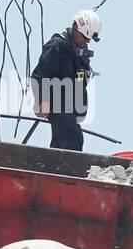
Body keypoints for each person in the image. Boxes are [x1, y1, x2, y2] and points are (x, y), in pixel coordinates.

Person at [30, 9, 100, 151]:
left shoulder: (80, 54)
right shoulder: (57, 46)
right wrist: (42, 101)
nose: (85, 42)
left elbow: (80, 81)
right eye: (84, 37)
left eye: (88, 39)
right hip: (57, 101)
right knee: (73, 140)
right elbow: (39, 75)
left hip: (70, 106)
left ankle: (51, 169)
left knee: (61, 144)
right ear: (75, 27)